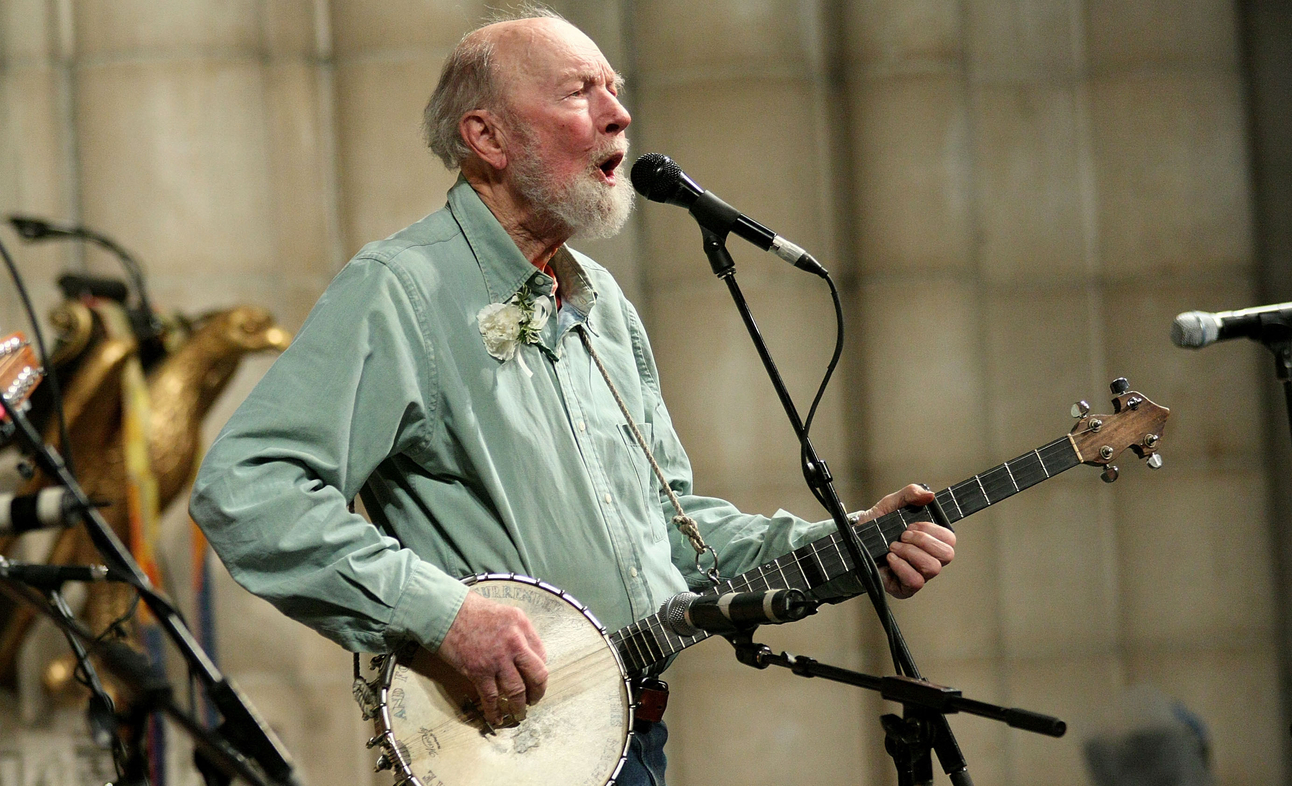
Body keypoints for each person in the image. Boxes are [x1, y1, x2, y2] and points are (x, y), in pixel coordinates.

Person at [189, 9, 956, 785]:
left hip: (631, 740)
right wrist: (443, 616)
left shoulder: (604, 306)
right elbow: (250, 489)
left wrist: (847, 542)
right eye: (580, 91)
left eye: (614, 89)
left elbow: (674, 538)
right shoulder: (403, 290)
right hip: (504, 749)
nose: (618, 112)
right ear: (486, 138)